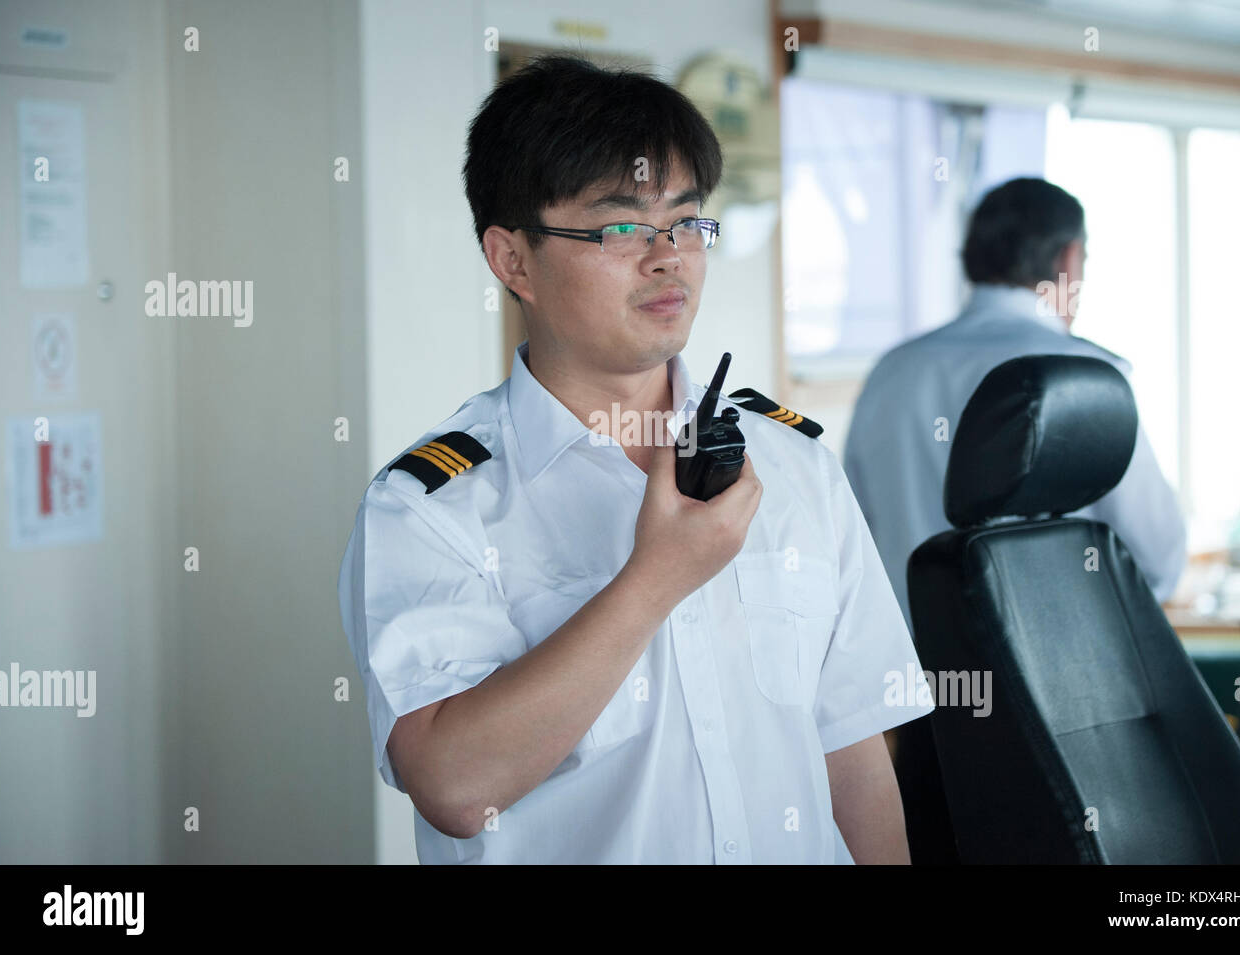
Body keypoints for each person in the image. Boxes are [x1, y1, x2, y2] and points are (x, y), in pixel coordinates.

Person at [337, 54, 935, 864]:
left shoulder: (791, 460)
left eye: (687, 221)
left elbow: (855, 748)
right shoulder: (434, 506)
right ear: (513, 261)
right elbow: (453, 787)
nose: (669, 257)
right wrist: (655, 579)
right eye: (621, 227)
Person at [843, 177, 1187, 631]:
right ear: (1069, 258)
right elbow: (1157, 557)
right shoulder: (1087, 375)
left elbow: (854, 533)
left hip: (910, 677)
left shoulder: (892, 371)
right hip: (1054, 679)